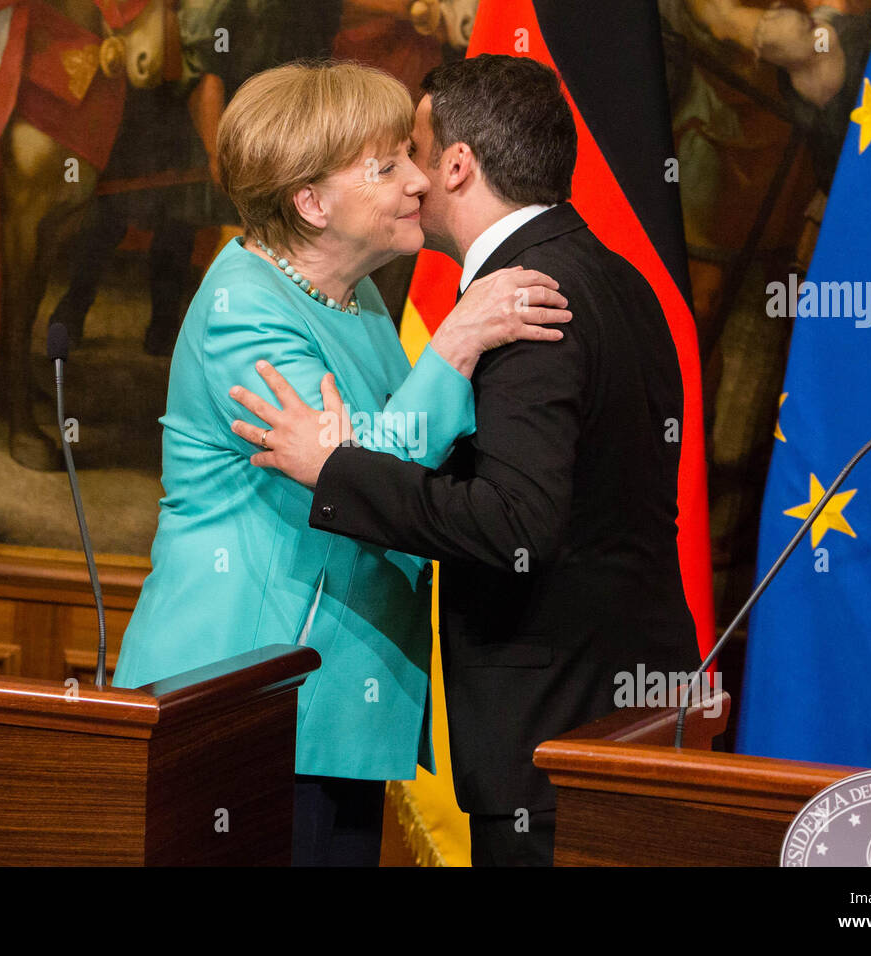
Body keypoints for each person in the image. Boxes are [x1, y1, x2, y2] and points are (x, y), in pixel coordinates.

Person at [228, 54, 700, 866]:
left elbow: (515, 524)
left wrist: (334, 467)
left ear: (456, 165)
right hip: (635, 708)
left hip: (555, 738)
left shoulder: (525, 300)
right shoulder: (615, 275)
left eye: (412, 153)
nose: (409, 179)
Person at [111, 60, 571, 867]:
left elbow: (384, 458)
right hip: (243, 706)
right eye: (386, 166)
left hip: (332, 704)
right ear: (311, 204)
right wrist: (459, 338)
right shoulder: (242, 313)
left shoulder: (351, 296)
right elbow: (356, 477)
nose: (420, 181)